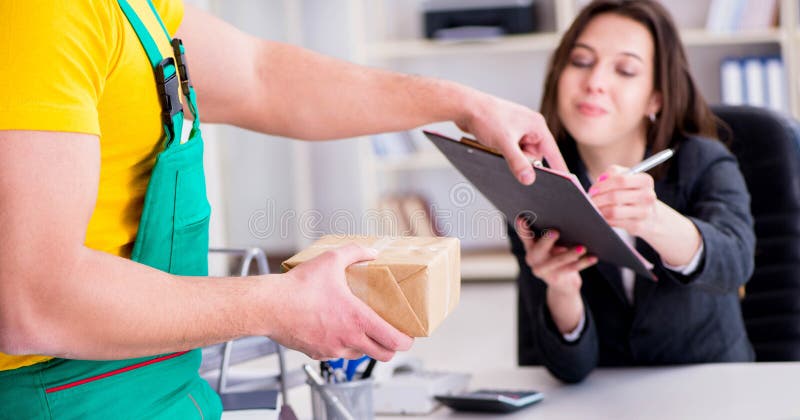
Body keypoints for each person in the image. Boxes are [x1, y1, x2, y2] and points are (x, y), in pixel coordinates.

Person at [0, 0, 568, 417]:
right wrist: (277, 304)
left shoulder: (135, 9)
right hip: (59, 400)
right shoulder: (42, 13)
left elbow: (260, 76)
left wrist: (461, 103)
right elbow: (33, 303)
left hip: (159, 390)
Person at [510, 0, 756, 384]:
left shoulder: (703, 160)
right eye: (581, 61)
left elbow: (735, 263)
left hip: (710, 387)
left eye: (625, 70)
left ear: (655, 97)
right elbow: (568, 368)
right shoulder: (533, 184)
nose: (595, 82)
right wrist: (562, 293)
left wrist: (653, 219)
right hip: (602, 398)